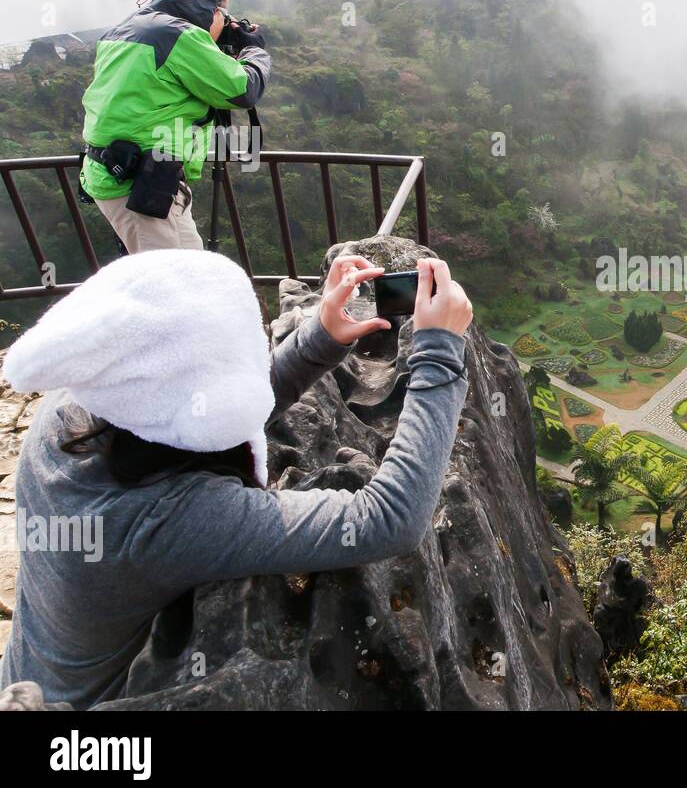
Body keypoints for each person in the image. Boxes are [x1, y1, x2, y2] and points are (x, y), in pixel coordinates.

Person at [0, 249, 473, 709]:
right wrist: (439, 355)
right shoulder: (167, 518)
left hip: (24, 671)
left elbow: (189, 409)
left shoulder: (79, 407)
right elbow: (391, 519)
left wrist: (320, 339)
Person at [79, 0, 271, 253]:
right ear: (207, 7)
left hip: (121, 175)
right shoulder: (179, 36)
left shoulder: (125, 29)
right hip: (141, 185)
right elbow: (243, 90)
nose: (225, 21)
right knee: (175, 286)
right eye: (222, 12)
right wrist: (254, 49)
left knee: (176, 275)